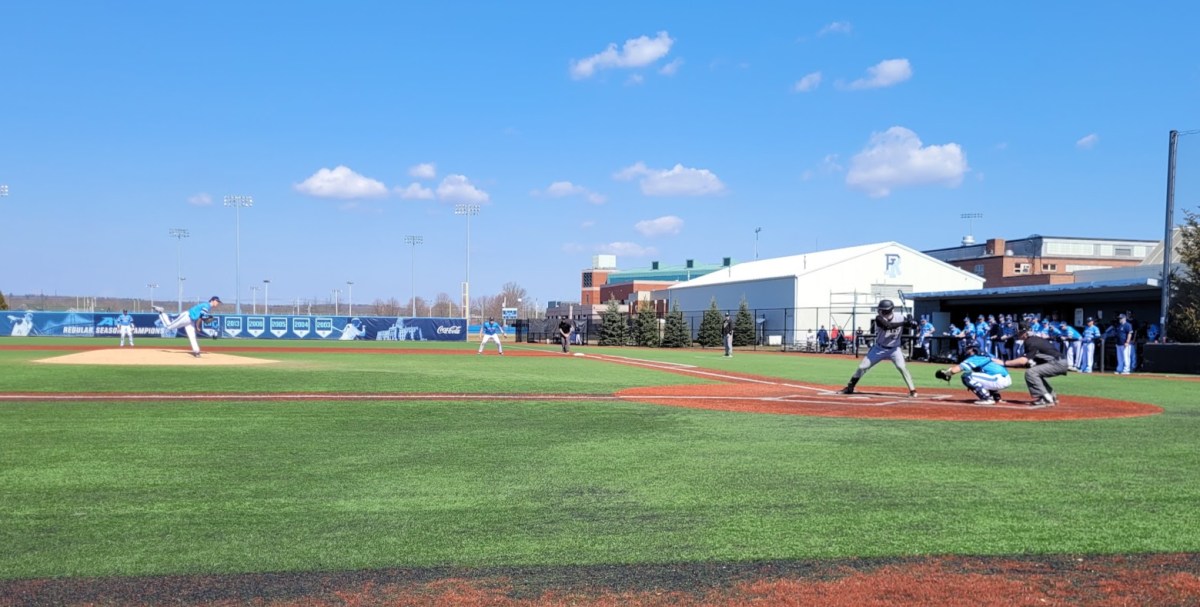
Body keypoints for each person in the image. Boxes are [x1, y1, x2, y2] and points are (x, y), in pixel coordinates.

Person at [838, 299, 919, 398]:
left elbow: (914, 326)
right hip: (879, 348)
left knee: (902, 367)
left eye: (883, 310)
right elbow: (888, 326)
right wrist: (904, 322)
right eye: (881, 310)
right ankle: (850, 387)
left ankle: (912, 390)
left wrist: (913, 323)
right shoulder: (879, 318)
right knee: (862, 367)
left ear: (890, 310)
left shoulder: (900, 317)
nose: (881, 312)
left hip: (894, 349)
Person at [1000, 322, 1070, 406]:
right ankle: (1051, 396)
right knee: (1035, 372)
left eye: (1019, 332)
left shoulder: (1030, 341)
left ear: (1025, 333)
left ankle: (1045, 398)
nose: (1017, 333)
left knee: (1031, 373)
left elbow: (1023, 361)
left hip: (1057, 363)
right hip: (1060, 361)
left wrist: (1004, 362)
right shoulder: (1034, 339)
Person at [934, 344, 1012, 405]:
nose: (966, 350)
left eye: (968, 348)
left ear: (972, 349)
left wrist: (947, 373)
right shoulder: (988, 355)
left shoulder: (975, 357)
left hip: (998, 380)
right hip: (1005, 378)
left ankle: (987, 399)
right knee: (982, 375)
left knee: (967, 376)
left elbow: (956, 370)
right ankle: (996, 397)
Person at [153, 296, 220, 358]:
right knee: (169, 327)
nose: (218, 303)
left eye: (218, 302)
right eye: (217, 301)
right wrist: (197, 326)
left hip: (191, 321)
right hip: (187, 317)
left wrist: (198, 325)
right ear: (212, 300)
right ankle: (161, 312)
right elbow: (201, 316)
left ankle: (197, 352)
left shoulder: (207, 306)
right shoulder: (207, 305)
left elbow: (201, 316)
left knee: (192, 336)